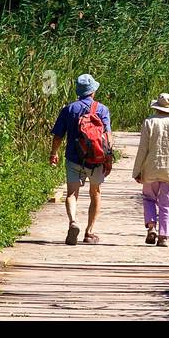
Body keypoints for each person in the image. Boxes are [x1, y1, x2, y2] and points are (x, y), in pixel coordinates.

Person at [50, 73, 112, 245]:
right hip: (96, 159)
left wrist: (53, 153)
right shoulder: (102, 109)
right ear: (92, 91)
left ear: (78, 91)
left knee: (71, 193)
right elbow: (107, 136)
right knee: (95, 193)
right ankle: (89, 232)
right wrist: (109, 158)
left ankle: (73, 222)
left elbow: (58, 136)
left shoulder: (69, 109)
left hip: (73, 158)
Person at [132, 93, 169, 248]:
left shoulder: (149, 122)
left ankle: (151, 227)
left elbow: (142, 149)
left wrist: (137, 171)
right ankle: (163, 236)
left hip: (150, 168)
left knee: (148, 198)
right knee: (167, 204)